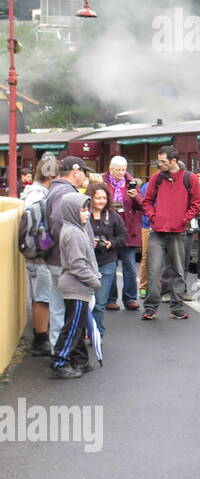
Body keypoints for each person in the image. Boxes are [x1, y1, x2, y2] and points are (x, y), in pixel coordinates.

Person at [140, 146, 200, 321]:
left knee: (178, 271)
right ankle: (151, 308)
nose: (159, 164)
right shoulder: (156, 178)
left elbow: (196, 204)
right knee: (153, 271)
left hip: (178, 232)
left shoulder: (190, 178)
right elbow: (147, 201)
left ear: (174, 161)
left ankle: (177, 307)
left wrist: (183, 219)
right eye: (159, 161)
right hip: (157, 232)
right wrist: (153, 217)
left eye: (163, 161)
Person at [50, 191, 100, 379]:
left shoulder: (77, 229)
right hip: (76, 287)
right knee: (72, 327)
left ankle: (80, 360)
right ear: (72, 211)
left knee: (77, 326)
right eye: (83, 210)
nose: (87, 213)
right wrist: (94, 281)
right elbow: (77, 264)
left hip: (78, 287)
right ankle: (59, 362)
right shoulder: (73, 233)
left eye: (87, 209)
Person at [41, 156, 90, 346]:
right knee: (73, 307)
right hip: (65, 259)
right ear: (76, 171)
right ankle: (64, 352)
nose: (84, 176)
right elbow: (61, 224)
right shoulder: (65, 192)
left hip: (55, 257)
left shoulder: (54, 188)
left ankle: (58, 348)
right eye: (83, 172)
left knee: (58, 307)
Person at [22, 155, 59, 356]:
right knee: (43, 297)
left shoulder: (28, 193)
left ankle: (40, 336)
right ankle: (41, 338)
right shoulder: (40, 196)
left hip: (32, 253)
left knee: (38, 295)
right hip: (40, 254)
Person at [86, 181, 127, 337]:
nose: (101, 201)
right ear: (91, 198)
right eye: (98, 198)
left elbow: (123, 236)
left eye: (104, 198)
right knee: (85, 302)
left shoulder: (113, 216)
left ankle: (97, 333)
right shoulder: (84, 214)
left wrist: (111, 243)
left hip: (107, 262)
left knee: (100, 302)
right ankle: (84, 330)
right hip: (87, 263)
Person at [103, 156, 142, 310]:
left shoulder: (131, 183)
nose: (121, 173)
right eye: (117, 170)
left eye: (123, 170)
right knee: (110, 266)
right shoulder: (102, 182)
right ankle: (111, 299)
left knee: (130, 267)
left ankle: (130, 298)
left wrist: (136, 197)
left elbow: (143, 206)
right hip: (109, 229)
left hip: (129, 229)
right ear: (110, 169)